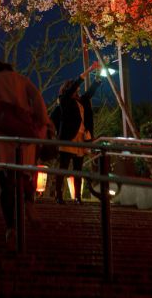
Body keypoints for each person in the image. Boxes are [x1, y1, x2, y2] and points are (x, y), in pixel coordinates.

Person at [0, 60, 49, 247]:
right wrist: (41, 124)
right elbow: (38, 99)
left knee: (6, 179)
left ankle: (11, 228)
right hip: (24, 133)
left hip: (0, 136)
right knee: (23, 172)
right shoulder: (21, 79)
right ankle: (29, 203)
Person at [51, 68, 101, 203]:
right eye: (74, 89)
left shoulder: (81, 101)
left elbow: (90, 92)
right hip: (68, 137)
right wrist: (86, 72)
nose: (77, 91)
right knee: (63, 167)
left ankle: (78, 196)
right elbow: (72, 88)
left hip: (81, 138)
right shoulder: (64, 100)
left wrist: (97, 77)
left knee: (78, 169)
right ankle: (58, 195)